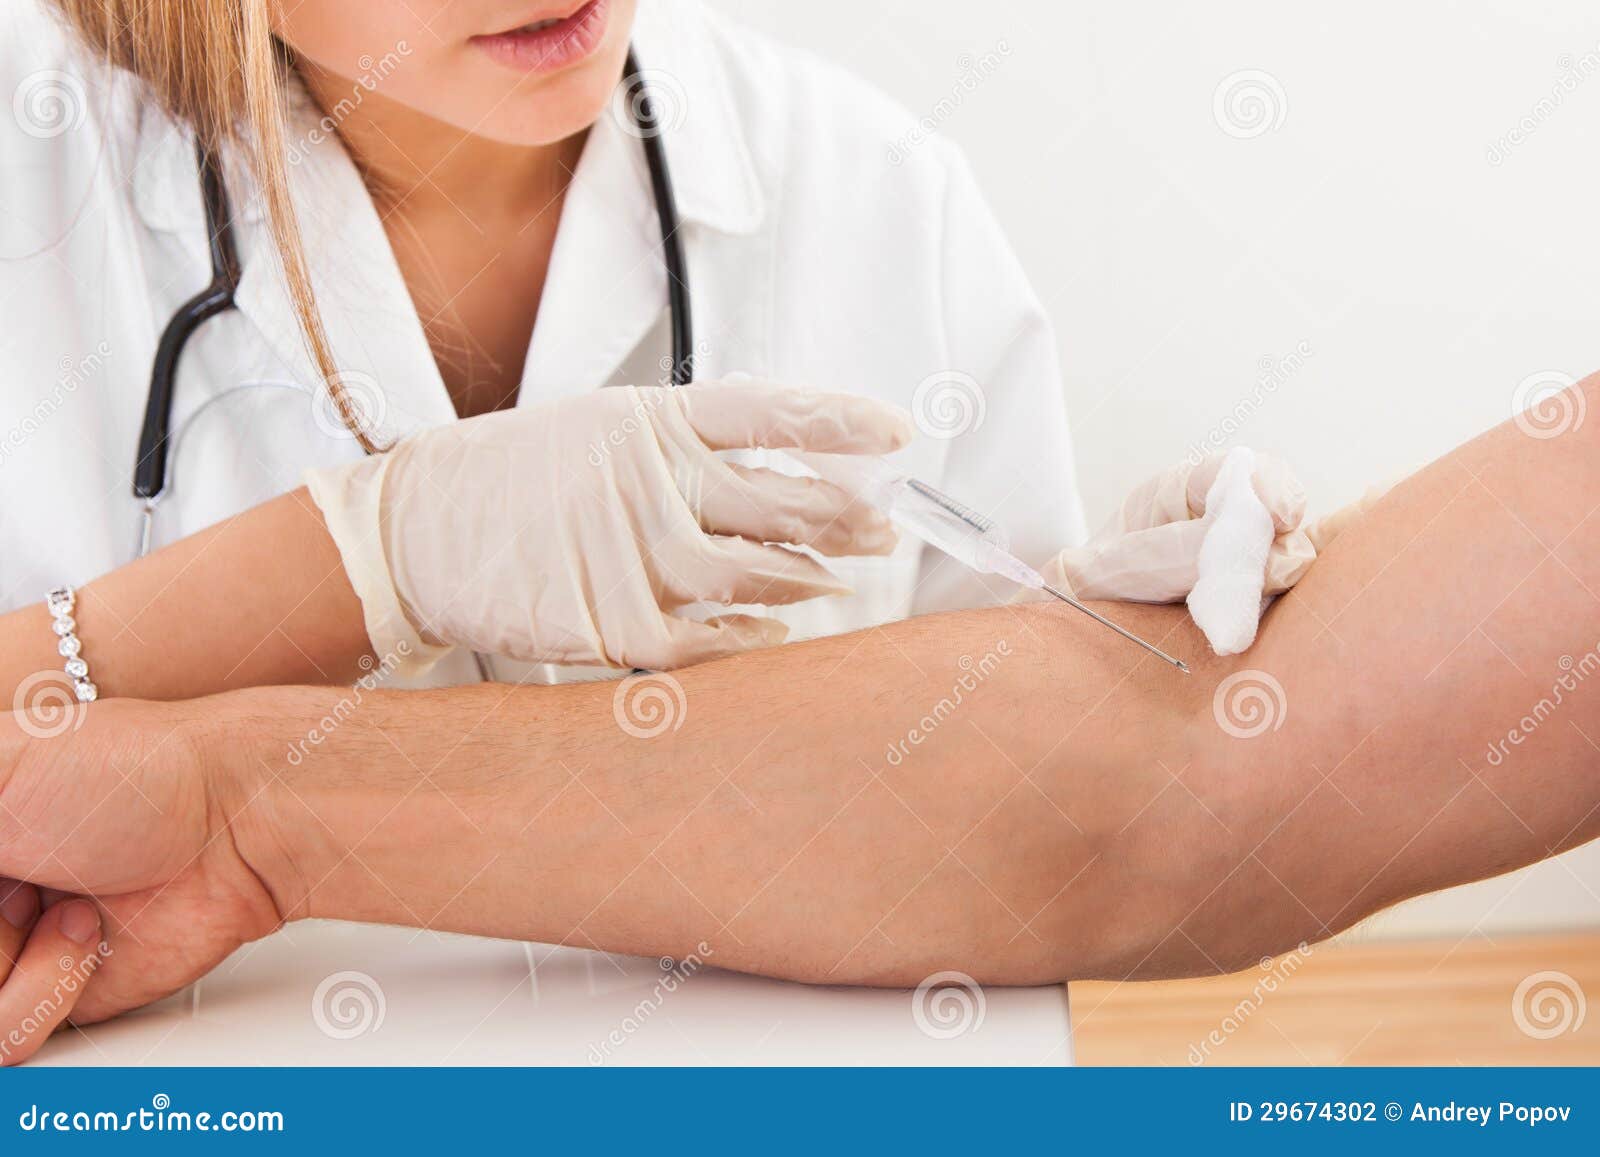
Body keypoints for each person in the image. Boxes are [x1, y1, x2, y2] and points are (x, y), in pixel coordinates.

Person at [3, 373, 1599, 1064]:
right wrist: (356, 560)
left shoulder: (864, 178)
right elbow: (1171, 771)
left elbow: (1154, 775)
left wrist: (243, 806)